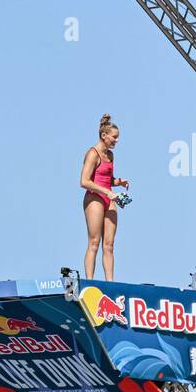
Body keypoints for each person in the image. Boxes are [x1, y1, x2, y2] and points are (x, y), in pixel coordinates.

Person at [79, 114, 129, 280]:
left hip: (109, 198)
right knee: (94, 242)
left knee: (109, 245)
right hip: (94, 198)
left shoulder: (110, 155)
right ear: (104, 135)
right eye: (114, 137)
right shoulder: (92, 154)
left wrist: (118, 182)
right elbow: (84, 181)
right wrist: (107, 192)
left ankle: (110, 282)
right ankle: (89, 281)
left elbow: (106, 178)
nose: (116, 141)